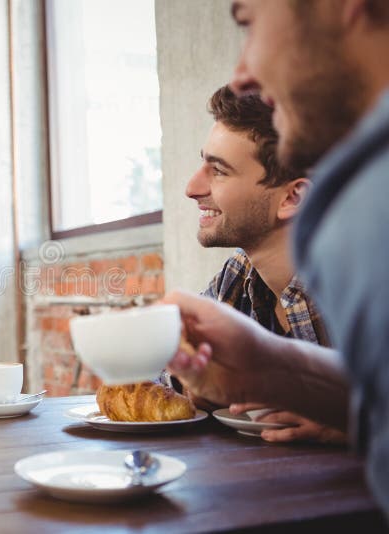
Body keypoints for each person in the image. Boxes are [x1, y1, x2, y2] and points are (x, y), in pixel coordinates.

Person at [166, 0, 389, 514]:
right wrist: (276, 370)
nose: (243, 71)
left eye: (248, 23)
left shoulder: (366, 219)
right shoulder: (242, 277)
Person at [185, 85, 343, 443]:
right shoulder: (238, 277)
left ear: (292, 197)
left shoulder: (364, 279)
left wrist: (355, 421)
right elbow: (168, 381)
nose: (191, 188)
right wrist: (197, 388)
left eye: (218, 170)